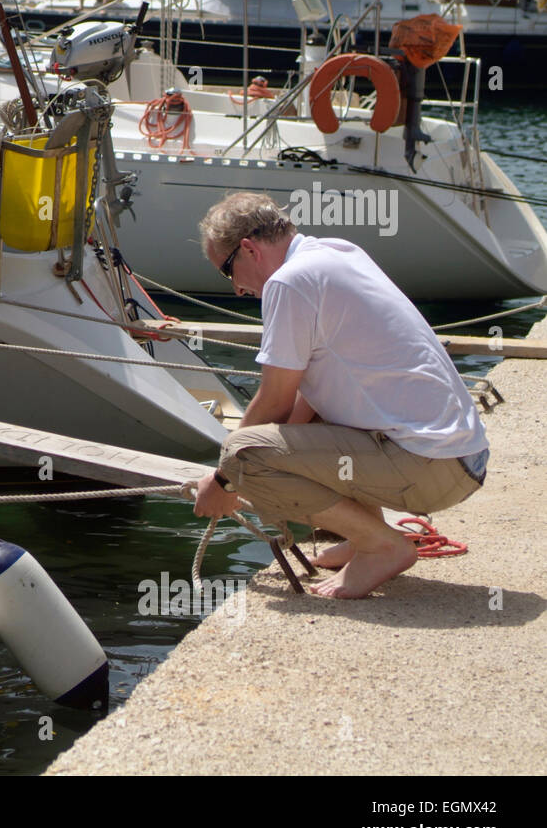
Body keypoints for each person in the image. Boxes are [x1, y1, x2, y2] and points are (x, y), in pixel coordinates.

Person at [191, 192, 488, 599]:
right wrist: (261, 463)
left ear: (248, 249)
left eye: (228, 272)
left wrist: (227, 475)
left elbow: (275, 402)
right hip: (461, 458)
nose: (238, 288)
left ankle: (382, 545)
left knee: (243, 451)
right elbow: (311, 400)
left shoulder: (289, 282)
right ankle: (363, 535)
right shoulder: (337, 251)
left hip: (430, 468)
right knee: (271, 444)